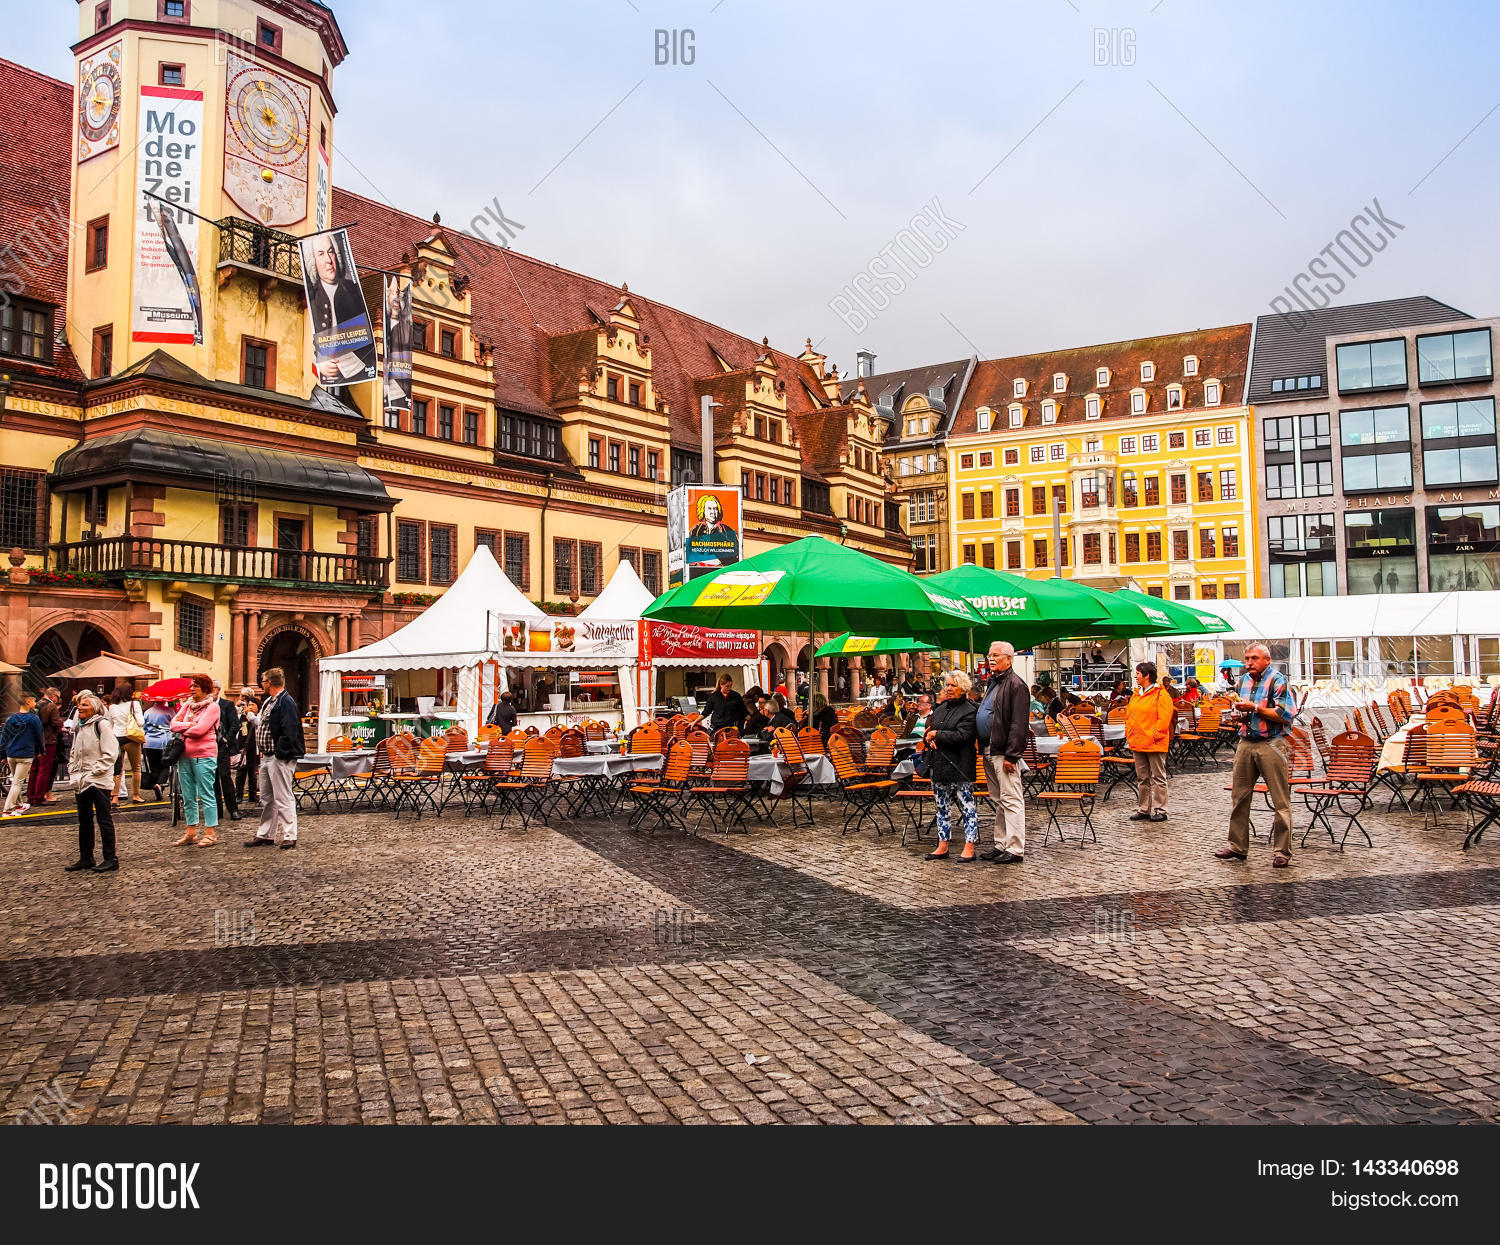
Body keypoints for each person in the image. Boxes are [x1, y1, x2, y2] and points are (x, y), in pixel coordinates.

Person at [1220, 642, 1298, 868]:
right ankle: (1237, 846)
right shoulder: (1243, 681)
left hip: (1272, 743)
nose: (1249, 663)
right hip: (1246, 741)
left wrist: (1254, 708)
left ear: (1267, 660)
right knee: (1239, 797)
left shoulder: (1278, 681)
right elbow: (1243, 710)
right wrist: (1239, 715)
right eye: (1247, 659)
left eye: (1254, 658)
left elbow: (1285, 714)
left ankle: (1282, 851)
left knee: (1280, 799)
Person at [977, 641, 1030, 865]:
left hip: (1003, 750)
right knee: (999, 799)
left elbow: (1019, 724)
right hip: (989, 747)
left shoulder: (1016, 685)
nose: (990, 659)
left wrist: (1012, 755)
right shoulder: (994, 682)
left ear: (1009, 659)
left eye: (996, 655)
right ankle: (1001, 843)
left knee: (1011, 799)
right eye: (989, 655)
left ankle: (1015, 848)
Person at [922, 670, 981, 862]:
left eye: (952, 685)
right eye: (947, 685)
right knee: (941, 807)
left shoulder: (970, 709)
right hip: (939, 763)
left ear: (962, 688)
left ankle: (969, 845)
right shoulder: (940, 708)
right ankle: (942, 844)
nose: (948, 688)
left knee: (967, 807)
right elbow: (930, 732)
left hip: (960, 765)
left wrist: (937, 735)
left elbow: (963, 735)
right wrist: (929, 738)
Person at [305, 231, 377, 383]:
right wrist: (318, 364)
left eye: (331, 252)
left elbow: (368, 345)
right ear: (313, 262)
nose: (328, 260)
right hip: (323, 381)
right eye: (321, 254)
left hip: (357, 374)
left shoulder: (353, 291)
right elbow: (302, 347)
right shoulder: (310, 298)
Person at [247, 667, 305, 850]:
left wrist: (280, 752)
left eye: (263, 681)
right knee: (267, 798)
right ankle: (266, 834)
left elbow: (290, 729)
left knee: (283, 796)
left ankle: (290, 835)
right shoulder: (269, 701)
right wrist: (252, 718)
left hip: (279, 756)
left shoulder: (285, 702)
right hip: (267, 756)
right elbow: (263, 724)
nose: (261, 684)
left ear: (270, 682)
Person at [65, 693, 120, 873]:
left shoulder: (102, 724)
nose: (80, 707)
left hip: (98, 780)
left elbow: (111, 753)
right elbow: (74, 751)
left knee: (104, 819)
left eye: (85, 705)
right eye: (80, 704)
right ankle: (86, 858)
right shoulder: (80, 727)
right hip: (82, 780)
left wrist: (94, 771)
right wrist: (73, 769)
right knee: (84, 819)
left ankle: (110, 859)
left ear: (95, 708)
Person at [170, 675, 221, 847]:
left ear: (205, 688)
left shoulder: (212, 707)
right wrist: (189, 726)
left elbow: (200, 730)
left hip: (204, 755)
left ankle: (210, 833)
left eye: (196, 686)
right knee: (188, 796)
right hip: (184, 755)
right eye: (191, 686)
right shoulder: (187, 705)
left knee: (206, 794)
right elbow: (173, 724)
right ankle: (191, 832)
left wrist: (184, 728)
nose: (192, 689)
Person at [1125, 661, 1174, 823]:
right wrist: (1130, 733)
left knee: (1158, 777)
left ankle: (1161, 809)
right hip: (1138, 741)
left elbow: (1164, 718)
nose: (1135, 676)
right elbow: (1130, 715)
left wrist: (1154, 735)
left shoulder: (1161, 694)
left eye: (1138, 673)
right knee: (1142, 778)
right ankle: (1144, 808)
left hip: (1154, 743)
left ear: (1146, 676)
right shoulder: (1137, 694)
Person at [1, 693, 44, 818]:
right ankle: (8, 810)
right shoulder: (34, 719)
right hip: (25, 754)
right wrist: (41, 751)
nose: (35, 704)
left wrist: (2, 755)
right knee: (17, 783)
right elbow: (39, 737)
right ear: (28, 702)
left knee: (16, 780)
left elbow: (4, 738)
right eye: (34, 701)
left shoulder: (11, 718)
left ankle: (19, 805)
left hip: (11, 754)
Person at [106, 683, 146, 806]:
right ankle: (136, 795)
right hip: (131, 738)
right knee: (136, 768)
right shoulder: (134, 704)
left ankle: (115, 798)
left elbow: (109, 724)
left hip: (116, 738)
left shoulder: (112, 707)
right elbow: (141, 722)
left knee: (117, 770)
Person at [211, 680, 242, 822]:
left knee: (225, 777)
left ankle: (233, 809)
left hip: (222, 746)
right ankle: (217, 810)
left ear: (218, 689)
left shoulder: (227, 705)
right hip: (209, 746)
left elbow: (235, 724)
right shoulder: (205, 706)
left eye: (212, 688)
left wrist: (226, 740)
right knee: (212, 779)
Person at [26, 687, 62, 805]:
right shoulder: (51, 706)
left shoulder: (35, 705)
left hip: (35, 741)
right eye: (58, 697)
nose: (58, 700)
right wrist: (61, 724)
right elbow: (55, 723)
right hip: (48, 741)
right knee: (44, 770)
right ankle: (39, 797)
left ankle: (31, 796)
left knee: (34, 769)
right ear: (54, 696)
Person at [142, 698, 173, 799]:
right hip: (164, 741)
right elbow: (174, 724)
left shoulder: (147, 712)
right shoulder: (169, 711)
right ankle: (160, 785)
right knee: (166, 765)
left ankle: (157, 787)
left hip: (149, 743)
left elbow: (144, 727)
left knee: (154, 767)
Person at [236, 691, 261, 804]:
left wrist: (250, 715)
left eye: (253, 705)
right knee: (240, 773)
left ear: (258, 707)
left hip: (254, 748)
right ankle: (238, 795)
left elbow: (257, 724)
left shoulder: (258, 717)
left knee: (252, 773)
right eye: (249, 705)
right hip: (243, 748)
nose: (250, 707)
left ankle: (253, 795)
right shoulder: (241, 716)